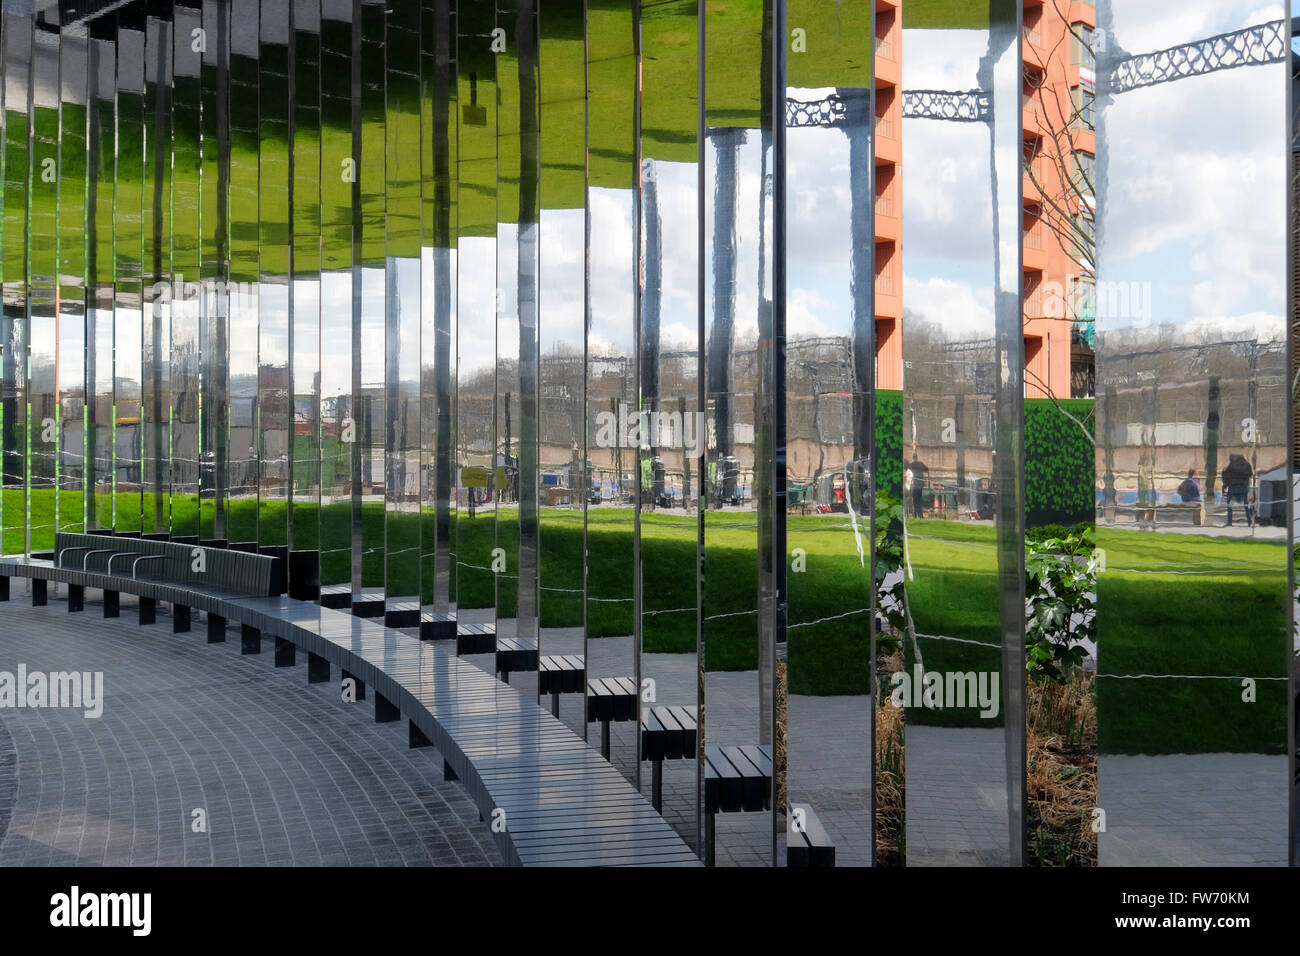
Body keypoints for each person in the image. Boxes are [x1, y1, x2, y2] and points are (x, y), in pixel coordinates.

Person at [1220, 454, 1253, 527]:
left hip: (1233, 488)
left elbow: (1226, 477)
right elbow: (1250, 474)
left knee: (1229, 504)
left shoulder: (1231, 466)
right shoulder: (1247, 464)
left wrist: (1225, 486)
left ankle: (1229, 521)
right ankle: (1249, 520)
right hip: (1244, 488)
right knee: (1246, 505)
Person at [907, 454, 928, 518]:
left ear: (913, 458)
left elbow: (907, 470)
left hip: (915, 484)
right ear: (917, 458)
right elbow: (926, 469)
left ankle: (916, 515)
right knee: (919, 500)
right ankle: (920, 515)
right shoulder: (920, 464)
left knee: (915, 500)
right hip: (920, 484)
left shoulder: (911, 465)